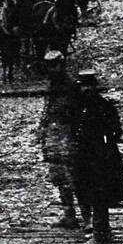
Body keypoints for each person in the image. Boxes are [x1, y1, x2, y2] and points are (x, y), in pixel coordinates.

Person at [72, 70, 123, 244]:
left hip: (103, 158)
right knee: (88, 193)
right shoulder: (78, 107)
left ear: (95, 87)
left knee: (100, 195)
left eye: (89, 86)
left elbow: (116, 131)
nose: (86, 89)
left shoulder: (104, 106)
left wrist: (104, 140)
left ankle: (100, 233)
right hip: (85, 158)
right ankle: (101, 230)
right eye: (83, 86)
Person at [39, 59, 82, 228]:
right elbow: (48, 110)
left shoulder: (71, 86)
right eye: (49, 66)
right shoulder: (51, 85)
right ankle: (69, 213)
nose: (51, 69)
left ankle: (87, 217)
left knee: (75, 176)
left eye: (54, 66)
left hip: (69, 134)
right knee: (58, 176)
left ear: (62, 65)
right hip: (54, 134)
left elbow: (77, 113)